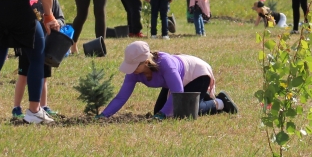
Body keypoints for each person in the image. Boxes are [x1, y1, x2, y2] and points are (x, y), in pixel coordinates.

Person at [99, 41, 238, 118]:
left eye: (134, 65)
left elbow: (177, 91)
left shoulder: (166, 65)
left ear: (146, 62)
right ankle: (200, 97)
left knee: (183, 113)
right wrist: (104, 115)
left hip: (197, 74)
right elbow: (121, 97)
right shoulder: (133, 72)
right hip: (176, 82)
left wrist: (164, 114)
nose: (131, 69)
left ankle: (220, 103)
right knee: (159, 111)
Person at [11, 0, 67, 122]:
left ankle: (43, 105)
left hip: (46, 45)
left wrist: (57, 23)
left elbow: (61, 19)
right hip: (27, 44)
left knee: (43, 77)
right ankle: (16, 107)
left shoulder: (51, 0)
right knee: (23, 76)